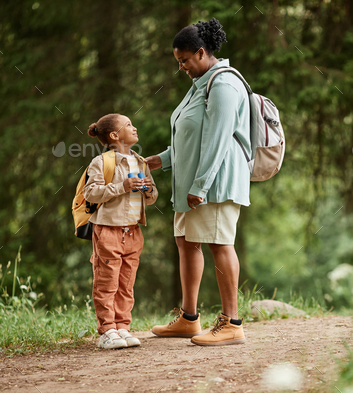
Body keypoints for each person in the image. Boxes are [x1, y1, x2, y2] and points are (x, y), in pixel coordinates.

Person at [146, 18, 250, 346]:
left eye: (184, 61)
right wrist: (159, 161)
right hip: (190, 184)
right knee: (186, 242)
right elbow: (189, 138)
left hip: (214, 184)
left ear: (201, 53)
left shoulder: (223, 84)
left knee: (220, 244)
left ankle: (232, 323)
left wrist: (201, 186)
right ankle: (189, 319)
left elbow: (218, 138)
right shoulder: (199, 85)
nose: (181, 67)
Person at [84, 113, 158, 349]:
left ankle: (123, 328)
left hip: (133, 232)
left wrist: (148, 190)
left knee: (126, 283)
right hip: (108, 230)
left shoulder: (142, 163)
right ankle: (107, 330)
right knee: (107, 282)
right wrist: (122, 186)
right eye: (129, 125)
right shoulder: (102, 163)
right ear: (115, 136)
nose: (134, 128)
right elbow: (91, 192)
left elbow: (153, 197)